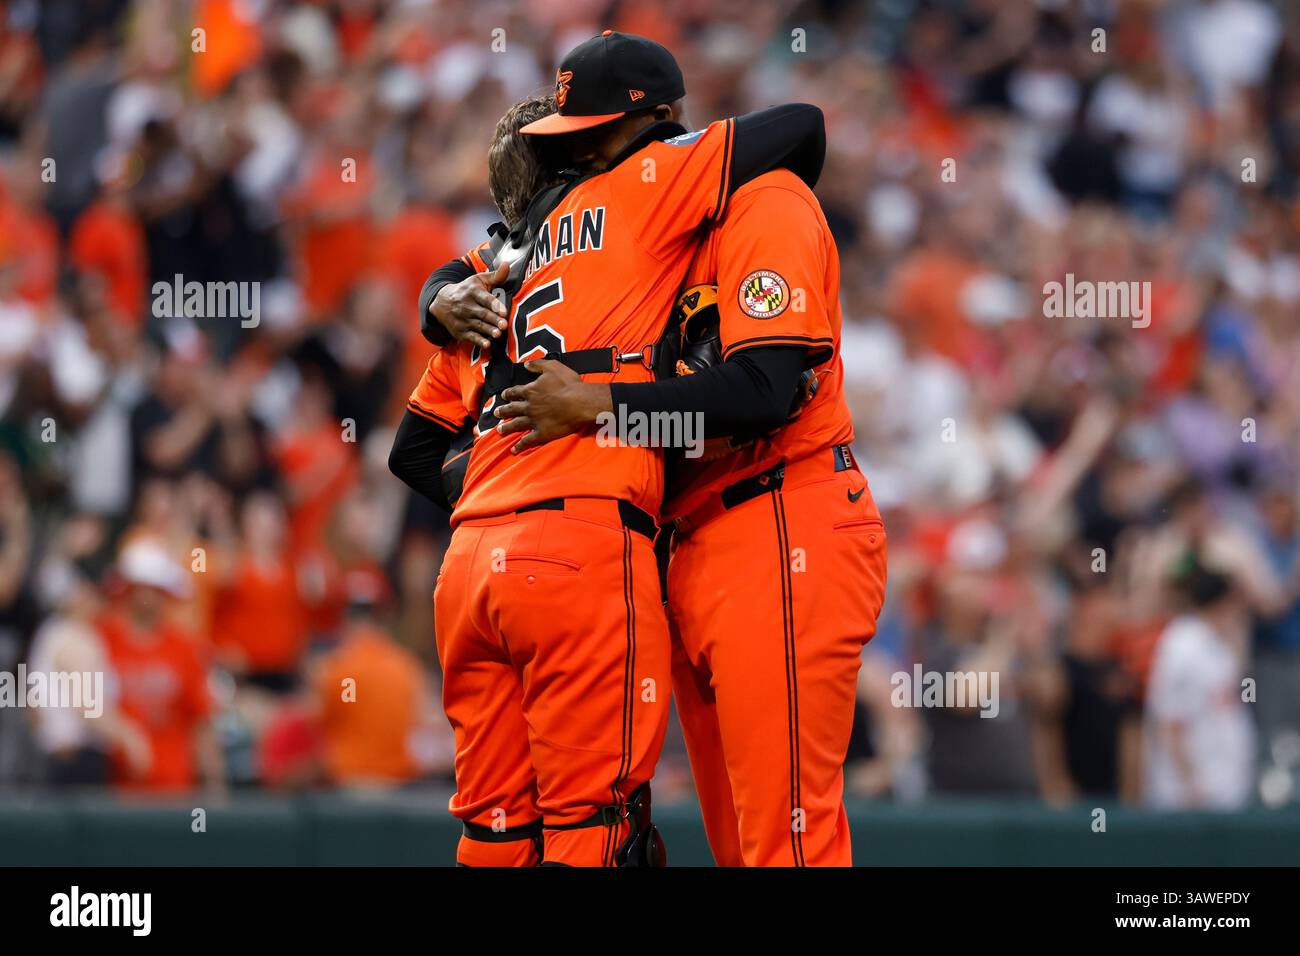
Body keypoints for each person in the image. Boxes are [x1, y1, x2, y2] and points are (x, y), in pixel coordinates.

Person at [389, 31, 825, 866]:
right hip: (578, 542)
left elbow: (410, 450)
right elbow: (802, 123)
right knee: (597, 832)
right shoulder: (645, 186)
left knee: (492, 830)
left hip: (472, 560)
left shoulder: (496, 261)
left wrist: (437, 295)